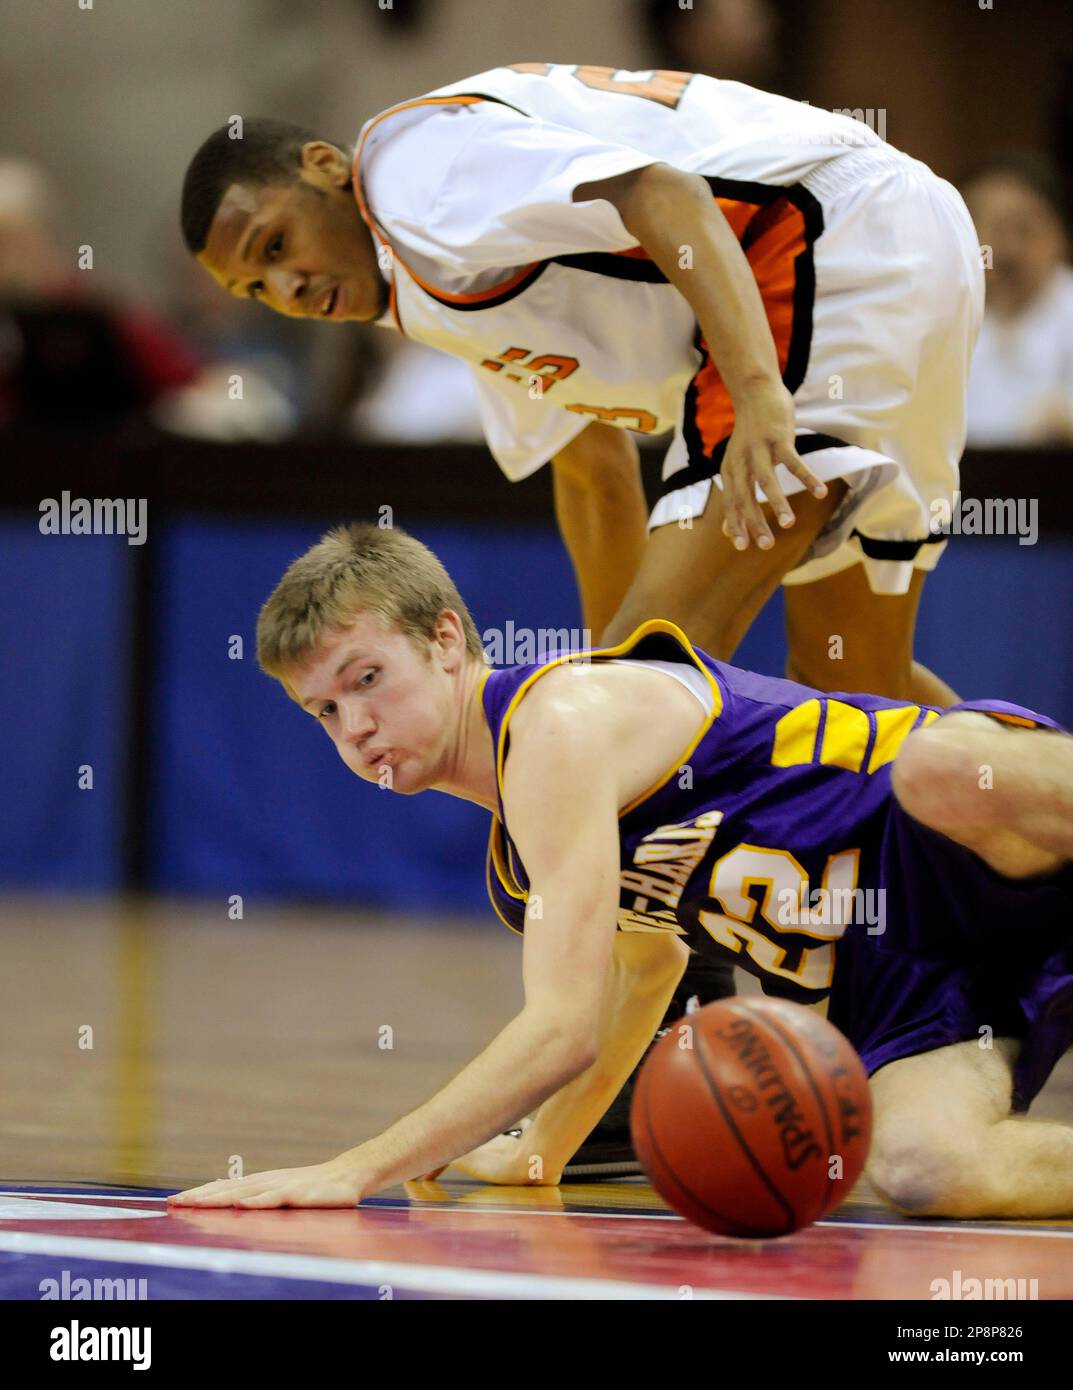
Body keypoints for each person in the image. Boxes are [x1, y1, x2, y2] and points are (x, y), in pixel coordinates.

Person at [169, 523, 1073, 1221]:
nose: (352, 725)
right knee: (918, 1166)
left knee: (942, 769)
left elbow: (559, 1030)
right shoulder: (518, 865)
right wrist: (542, 1147)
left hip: (960, 836)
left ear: (447, 640)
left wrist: (356, 1168)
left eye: (366, 678)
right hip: (912, 979)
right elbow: (646, 970)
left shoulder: (557, 718)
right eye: (321, 709)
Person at [179, 64, 982, 705]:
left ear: (323, 166)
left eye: (276, 244)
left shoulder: (409, 173)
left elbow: (663, 194)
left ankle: (604, 907)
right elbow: (591, 473)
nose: (285, 289)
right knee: (858, 695)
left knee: (638, 695)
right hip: (901, 240)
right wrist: (607, 668)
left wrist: (757, 391)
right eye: (257, 288)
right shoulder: (435, 283)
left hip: (816, 239)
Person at [963, 153, 1073, 448]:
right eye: (995, 230)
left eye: (1024, 229)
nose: (1009, 249)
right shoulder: (946, 314)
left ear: (1060, 235)